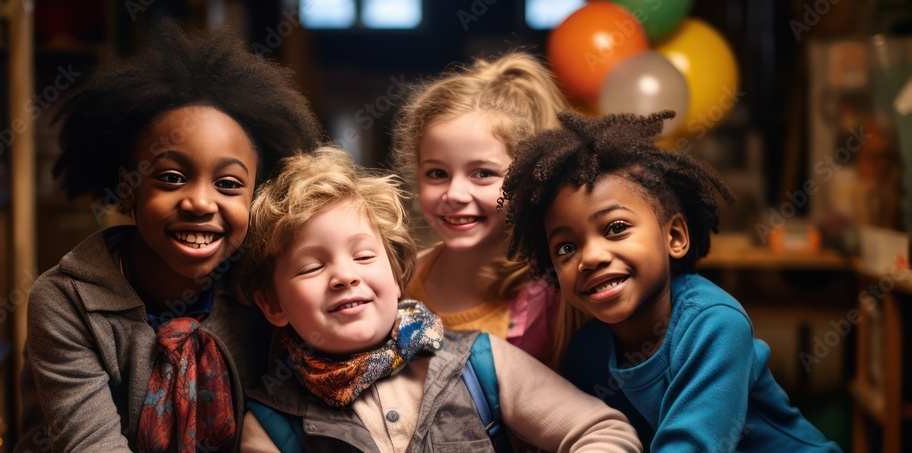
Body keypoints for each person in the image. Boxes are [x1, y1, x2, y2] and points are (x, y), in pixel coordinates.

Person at [15, 20, 323, 452]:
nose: (200, 202)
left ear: (257, 198)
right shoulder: (67, 304)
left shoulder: (267, 292)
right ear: (128, 190)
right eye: (172, 177)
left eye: (229, 184)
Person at [236, 146, 642, 452]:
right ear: (274, 304)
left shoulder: (480, 364)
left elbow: (602, 431)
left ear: (396, 277)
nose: (345, 276)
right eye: (311, 267)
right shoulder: (271, 425)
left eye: (363, 256)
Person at [499, 110, 842, 452]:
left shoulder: (715, 325)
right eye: (567, 247)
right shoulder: (585, 353)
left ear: (675, 236)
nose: (590, 258)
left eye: (616, 228)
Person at [392, 52, 575, 365]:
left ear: (532, 175)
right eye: (437, 173)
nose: (455, 193)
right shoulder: (396, 283)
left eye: (483, 174)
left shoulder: (558, 296)